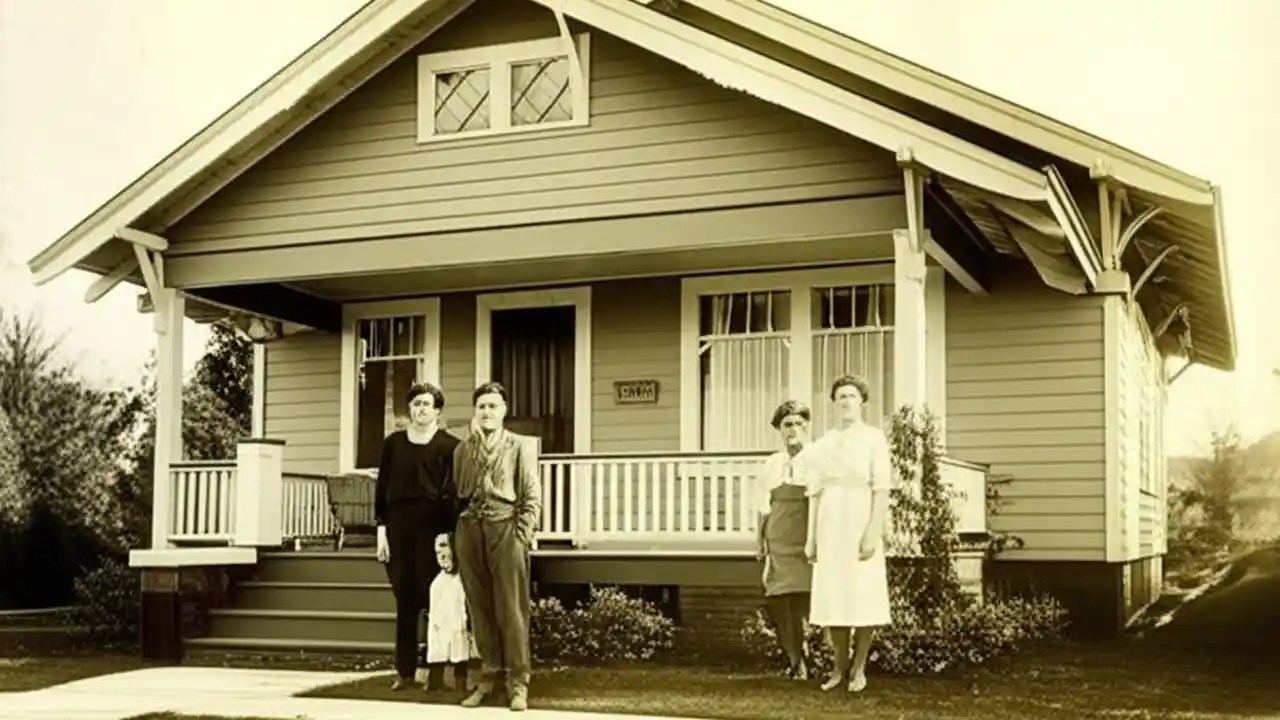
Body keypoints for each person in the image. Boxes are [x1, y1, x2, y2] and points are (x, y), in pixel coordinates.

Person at [801, 374, 893, 694]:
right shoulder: (824, 443)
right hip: (830, 522)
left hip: (860, 518)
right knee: (833, 597)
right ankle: (839, 665)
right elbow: (814, 492)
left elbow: (881, 490)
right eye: (840, 396)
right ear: (833, 404)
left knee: (862, 595)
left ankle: (859, 667)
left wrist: (872, 531)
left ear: (862, 402)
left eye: (852, 395)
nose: (846, 401)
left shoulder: (873, 438)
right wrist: (811, 537)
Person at [453, 381, 541, 712]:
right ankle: (487, 678)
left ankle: (518, 683)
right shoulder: (463, 449)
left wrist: (522, 532)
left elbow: (531, 495)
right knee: (480, 609)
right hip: (470, 530)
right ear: (475, 413)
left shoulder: (520, 447)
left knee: (512, 610)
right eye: (481, 407)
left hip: (506, 529)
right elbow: (458, 491)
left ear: (504, 410)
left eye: (493, 406)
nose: (486, 412)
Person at [373, 382, 461, 691]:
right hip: (398, 527)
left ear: (437, 410)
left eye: (426, 404)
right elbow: (382, 488)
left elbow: (452, 494)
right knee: (404, 598)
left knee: (434, 598)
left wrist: (450, 537)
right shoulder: (393, 444)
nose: (420, 408)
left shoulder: (450, 445)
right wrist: (381, 531)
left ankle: (433, 669)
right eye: (415, 403)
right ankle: (405, 671)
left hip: (433, 529)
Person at [755, 400, 814, 680]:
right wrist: (759, 541)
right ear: (780, 429)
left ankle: (815, 655)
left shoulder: (816, 459)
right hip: (778, 538)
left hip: (807, 537)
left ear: (807, 426)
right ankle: (795, 660)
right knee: (781, 601)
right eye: (787, 424)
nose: (793, 429)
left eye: (798, 423)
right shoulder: (772, 463)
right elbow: (763, 505)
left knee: (807, 599)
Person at [425, 532, 475, 692]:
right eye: (437, 552)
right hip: (440, 624)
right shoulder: (437, 584)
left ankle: (461, 685)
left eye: (444, 548)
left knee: (460, 647)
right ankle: (435, 681)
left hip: (458, 624)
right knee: (437, 643)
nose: (440, 555)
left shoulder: (462, 579)